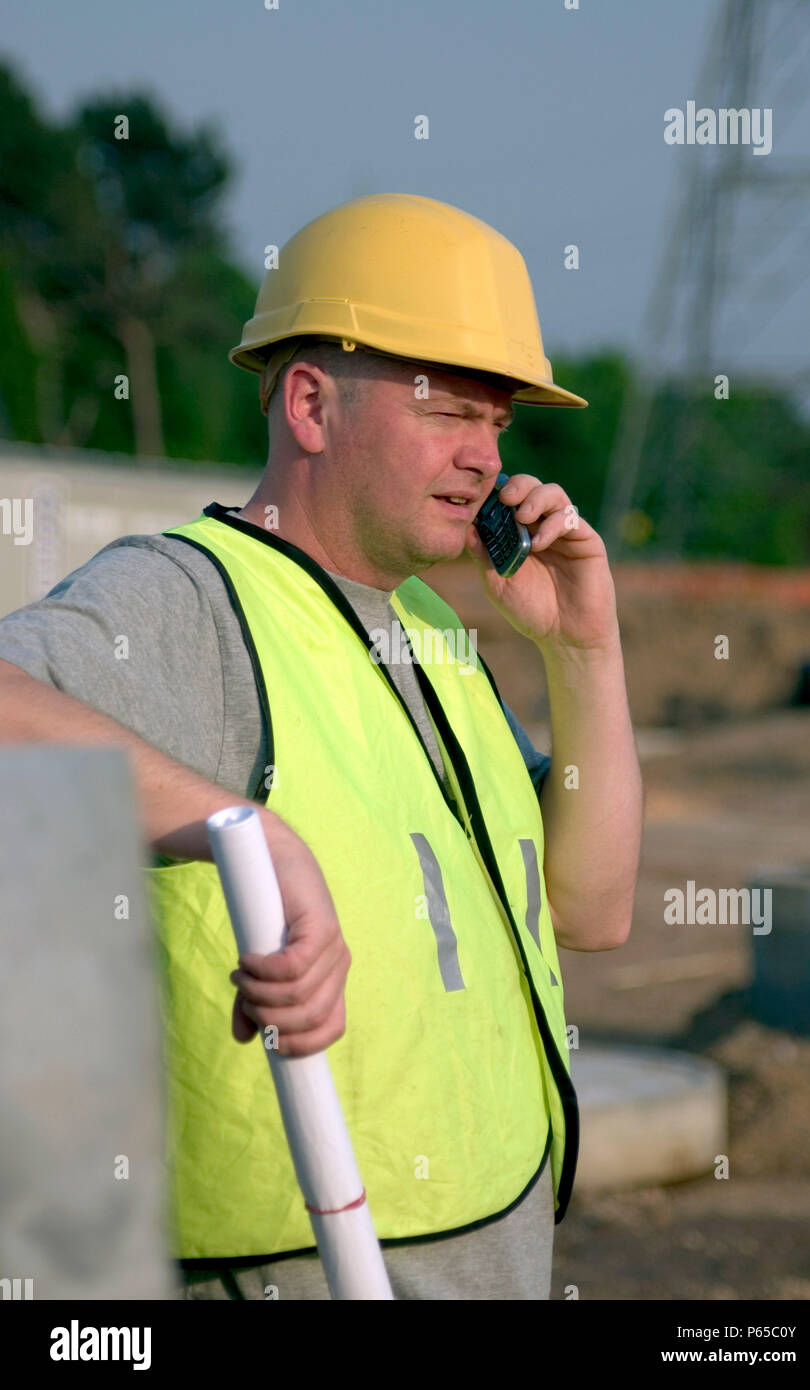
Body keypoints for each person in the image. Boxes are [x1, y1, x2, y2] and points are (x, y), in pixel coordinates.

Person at [0, 192, 642, 1300]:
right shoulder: (191, 599)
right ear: (309, 402)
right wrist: (246, 829)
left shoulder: (431, 628)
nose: (485, 457)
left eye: (500, 422)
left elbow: (593, 909)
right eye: (451, 411)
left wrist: (586, 647)